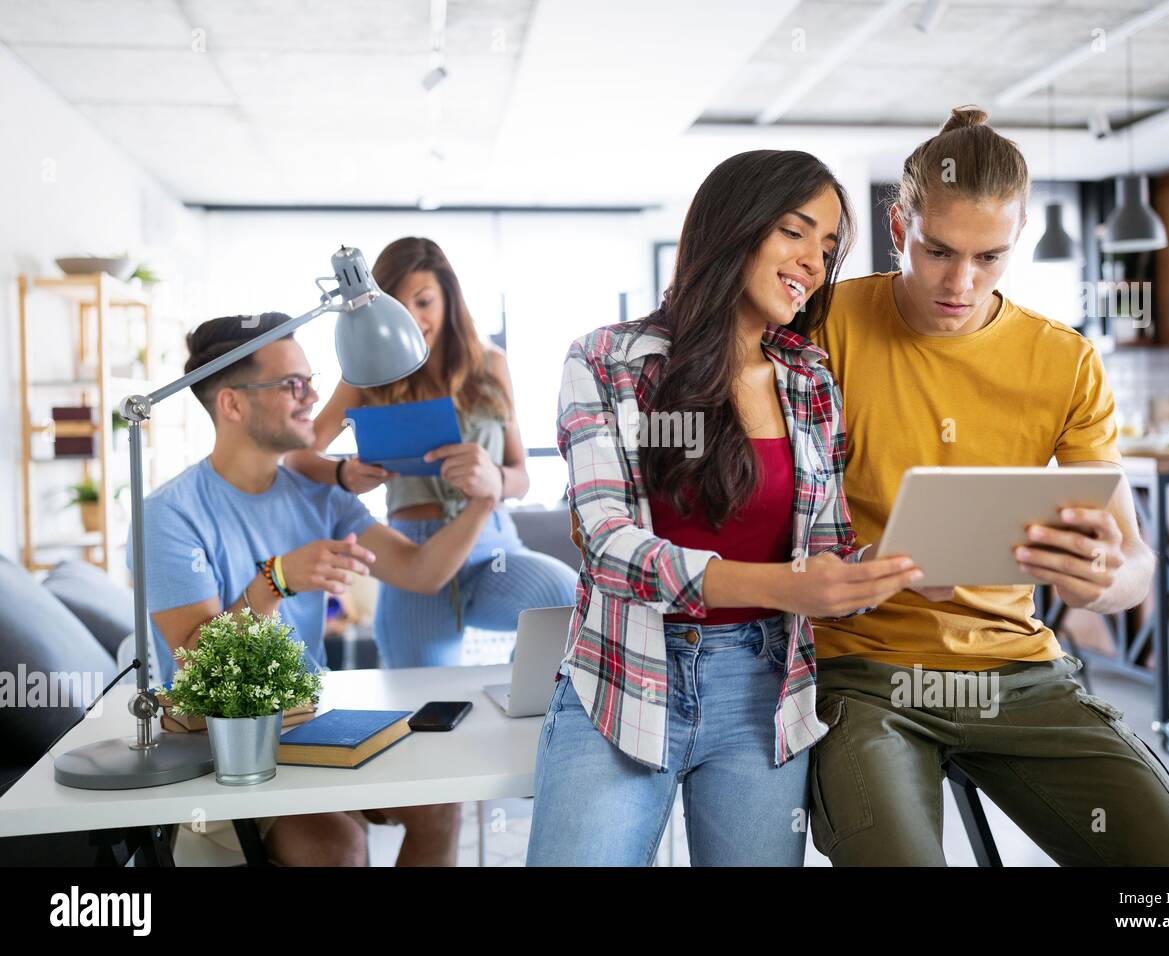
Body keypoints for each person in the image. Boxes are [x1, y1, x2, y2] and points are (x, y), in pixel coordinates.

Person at [803, 106, 1169, 866]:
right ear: (899, 229)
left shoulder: (1064, 362)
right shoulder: (825, 327)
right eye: (938, 252)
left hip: (1021, 677)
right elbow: (762, 515)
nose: (961, 283)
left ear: (1019, 240)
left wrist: (1104, 580)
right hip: (862, 679)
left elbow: (1134, 569)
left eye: (990, 257)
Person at [526, 150, 924, 867]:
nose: (813, 261)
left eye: (828, 248)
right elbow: (609, 545)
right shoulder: (608, 363)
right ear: (734, 227)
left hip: (766, 691)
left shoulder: (808, 379)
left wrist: (887, 571)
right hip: (624, 672)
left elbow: (826, 550)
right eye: (795, 232)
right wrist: (786, 586)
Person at [132, 313, 496, 866]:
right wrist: (274, 581)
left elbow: (421, 571)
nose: (313, 397)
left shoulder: (318, 496)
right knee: (339, 847)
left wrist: (483, 501)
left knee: (442, 804)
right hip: (222, 743)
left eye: (309, 380)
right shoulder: (170, 514)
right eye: (292, 385)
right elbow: (196, 656)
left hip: (312, 725)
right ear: (231, 404)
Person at [285, 236, 577, 668]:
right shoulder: (367, 372)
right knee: (418, 701)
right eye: (398, 304)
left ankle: (526, 700)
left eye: (424, 302)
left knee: (569, 599)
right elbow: (298, 457)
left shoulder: (490, 364)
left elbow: (521, 475)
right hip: (412, 555)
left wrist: (494, 480)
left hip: (493, 546)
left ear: (448, 298)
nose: (413, 317)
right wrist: (343, 474)